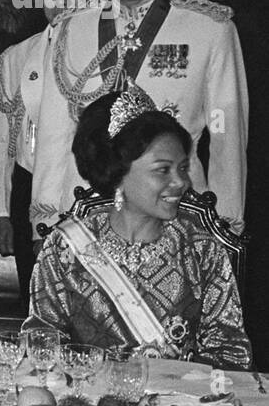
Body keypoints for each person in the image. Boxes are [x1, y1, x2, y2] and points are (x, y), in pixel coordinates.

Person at [32, 0, 247, 234]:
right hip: (83, 214)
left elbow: (226, 138)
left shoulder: (208, 29)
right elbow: (53, 135)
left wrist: (224, 226)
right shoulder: (70, 28)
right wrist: (45, 219)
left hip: (177, 214)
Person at [24, 88, 250, 369]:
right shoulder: (66, 248)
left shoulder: (201, 249)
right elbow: (41, 343)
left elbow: (230, 353)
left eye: (182, 168)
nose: (181, 183)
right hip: (89, 404)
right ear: (118, 174)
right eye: (162, 170)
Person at [0, 0, 97, 309]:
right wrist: (2, 213)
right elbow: (3, 138)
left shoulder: (113, 52)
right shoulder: (16, 57)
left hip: (93, 193)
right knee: (36, 306)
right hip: (28, 187)